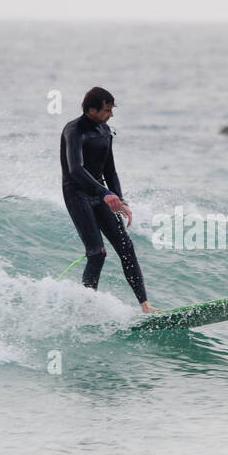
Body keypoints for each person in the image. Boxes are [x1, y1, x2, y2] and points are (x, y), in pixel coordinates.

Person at [60, 87, 156, 312]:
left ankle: (145, 306)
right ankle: (85, 309)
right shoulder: (73, 131)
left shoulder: (105, 131)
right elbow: (75, 169)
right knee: (97, 253)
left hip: (99, 195)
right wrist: (105, 193)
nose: (111, 115)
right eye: (107, 110)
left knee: (126, 247)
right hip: (77, 194)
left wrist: (119, 199)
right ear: (91, 110)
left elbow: (110, 170)